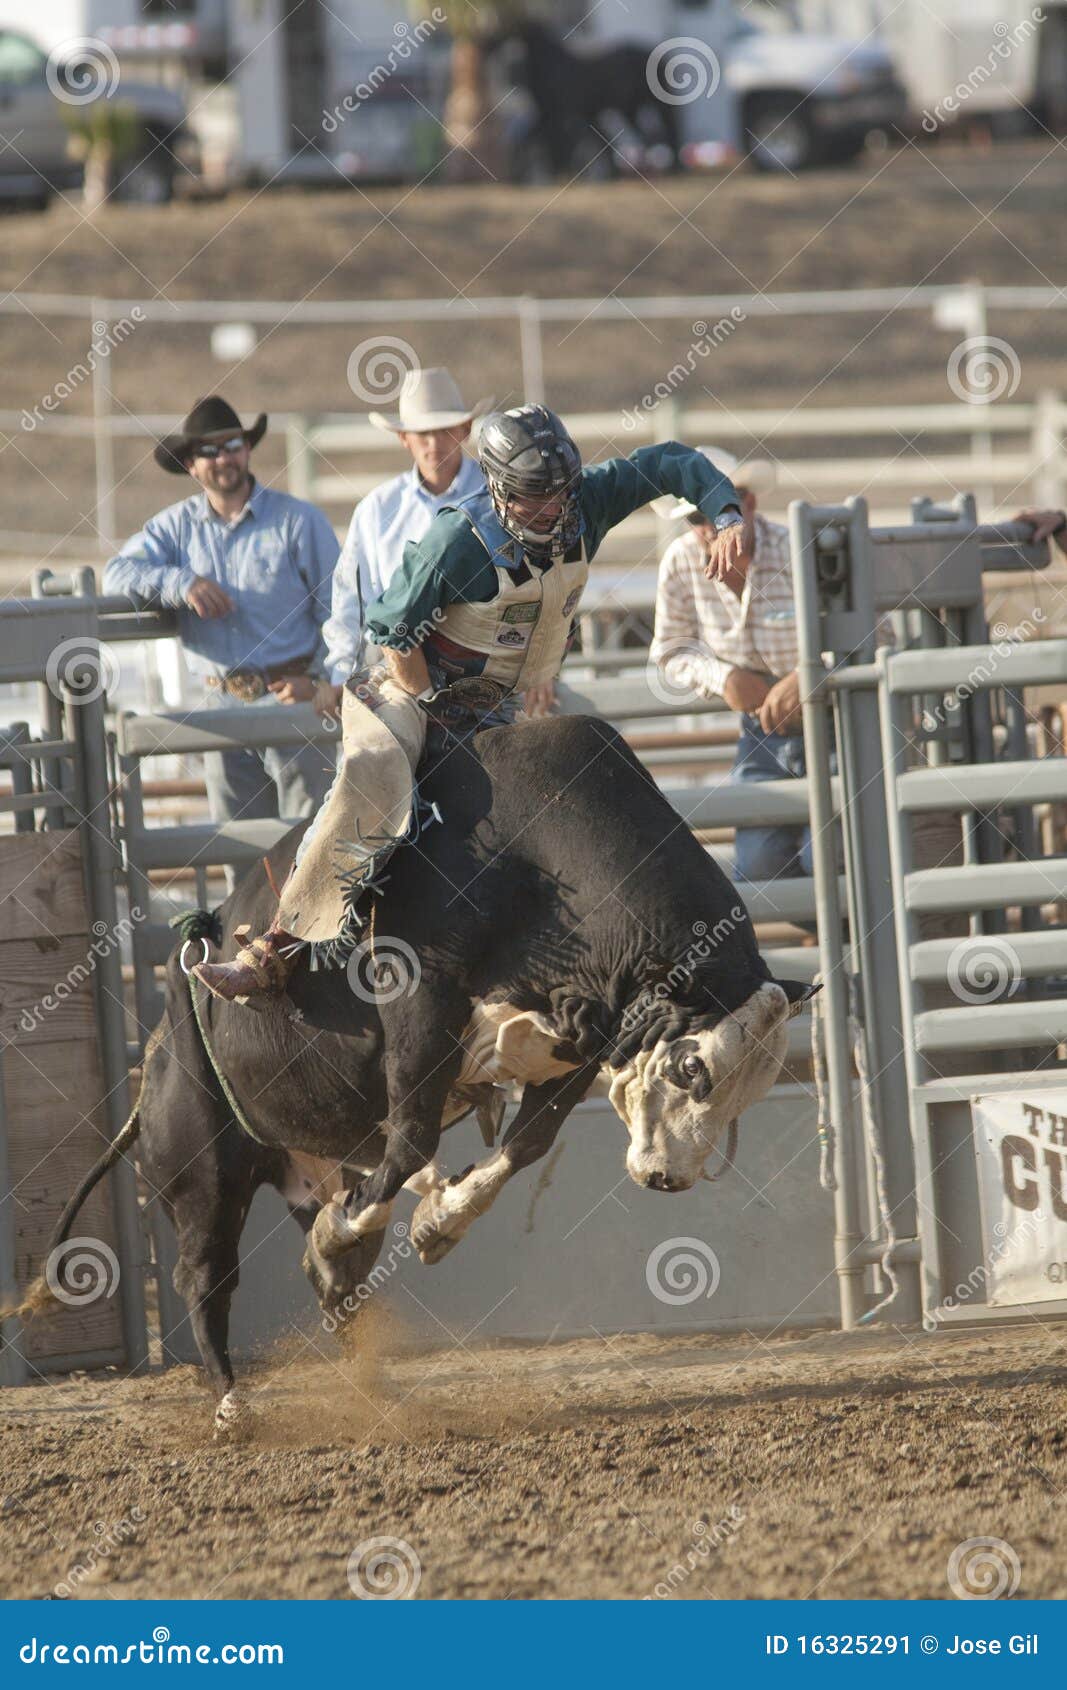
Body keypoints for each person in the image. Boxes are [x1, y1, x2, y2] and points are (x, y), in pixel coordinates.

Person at [194, 405, 748, 1004]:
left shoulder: (589, 501)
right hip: (405, 690)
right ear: (501, 490)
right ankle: (277, 944)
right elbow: (390, 631)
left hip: (494, 706)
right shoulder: (459, 537)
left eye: (562, 491)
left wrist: (723, 514)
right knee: (374, 776)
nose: (555, 507)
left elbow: (667, 462)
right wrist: (434, 705)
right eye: (537, 496)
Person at [103, 396, 339, 852]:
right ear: (191, 466)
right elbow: (119, 572)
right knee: (239, 850)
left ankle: (312, 927)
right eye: (208, 451)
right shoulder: (173, 530)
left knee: (312, 846)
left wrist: (321, 681)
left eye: (231, 444)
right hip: (219, 706)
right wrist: (180, 582)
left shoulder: (298, 521)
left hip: (291, 699)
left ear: (247, 450)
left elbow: (341, 607)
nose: (223, 458)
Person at [649, 447, 809, 883]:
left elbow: (875, 631)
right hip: (761, 734)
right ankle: (826, 936)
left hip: (835, 724)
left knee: (831, 855)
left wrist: (811, 674)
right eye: (696, 518)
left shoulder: (801, 547)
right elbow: (669, 649)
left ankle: (835, 940)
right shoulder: (682, 561)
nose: (707, 529)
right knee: (759, 869)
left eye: (719, 514)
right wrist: (723, 677)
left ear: (749, 504)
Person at [321, 366, 491, 696]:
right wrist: (342, 672)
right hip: (395, 667)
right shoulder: (376, 509)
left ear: (464, 429)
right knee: (383, 744)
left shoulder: (496, 496)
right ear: (404, 438)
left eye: (443, 430)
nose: (433, 443)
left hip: (484, 666)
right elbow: (350, 599)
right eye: (422, 433)